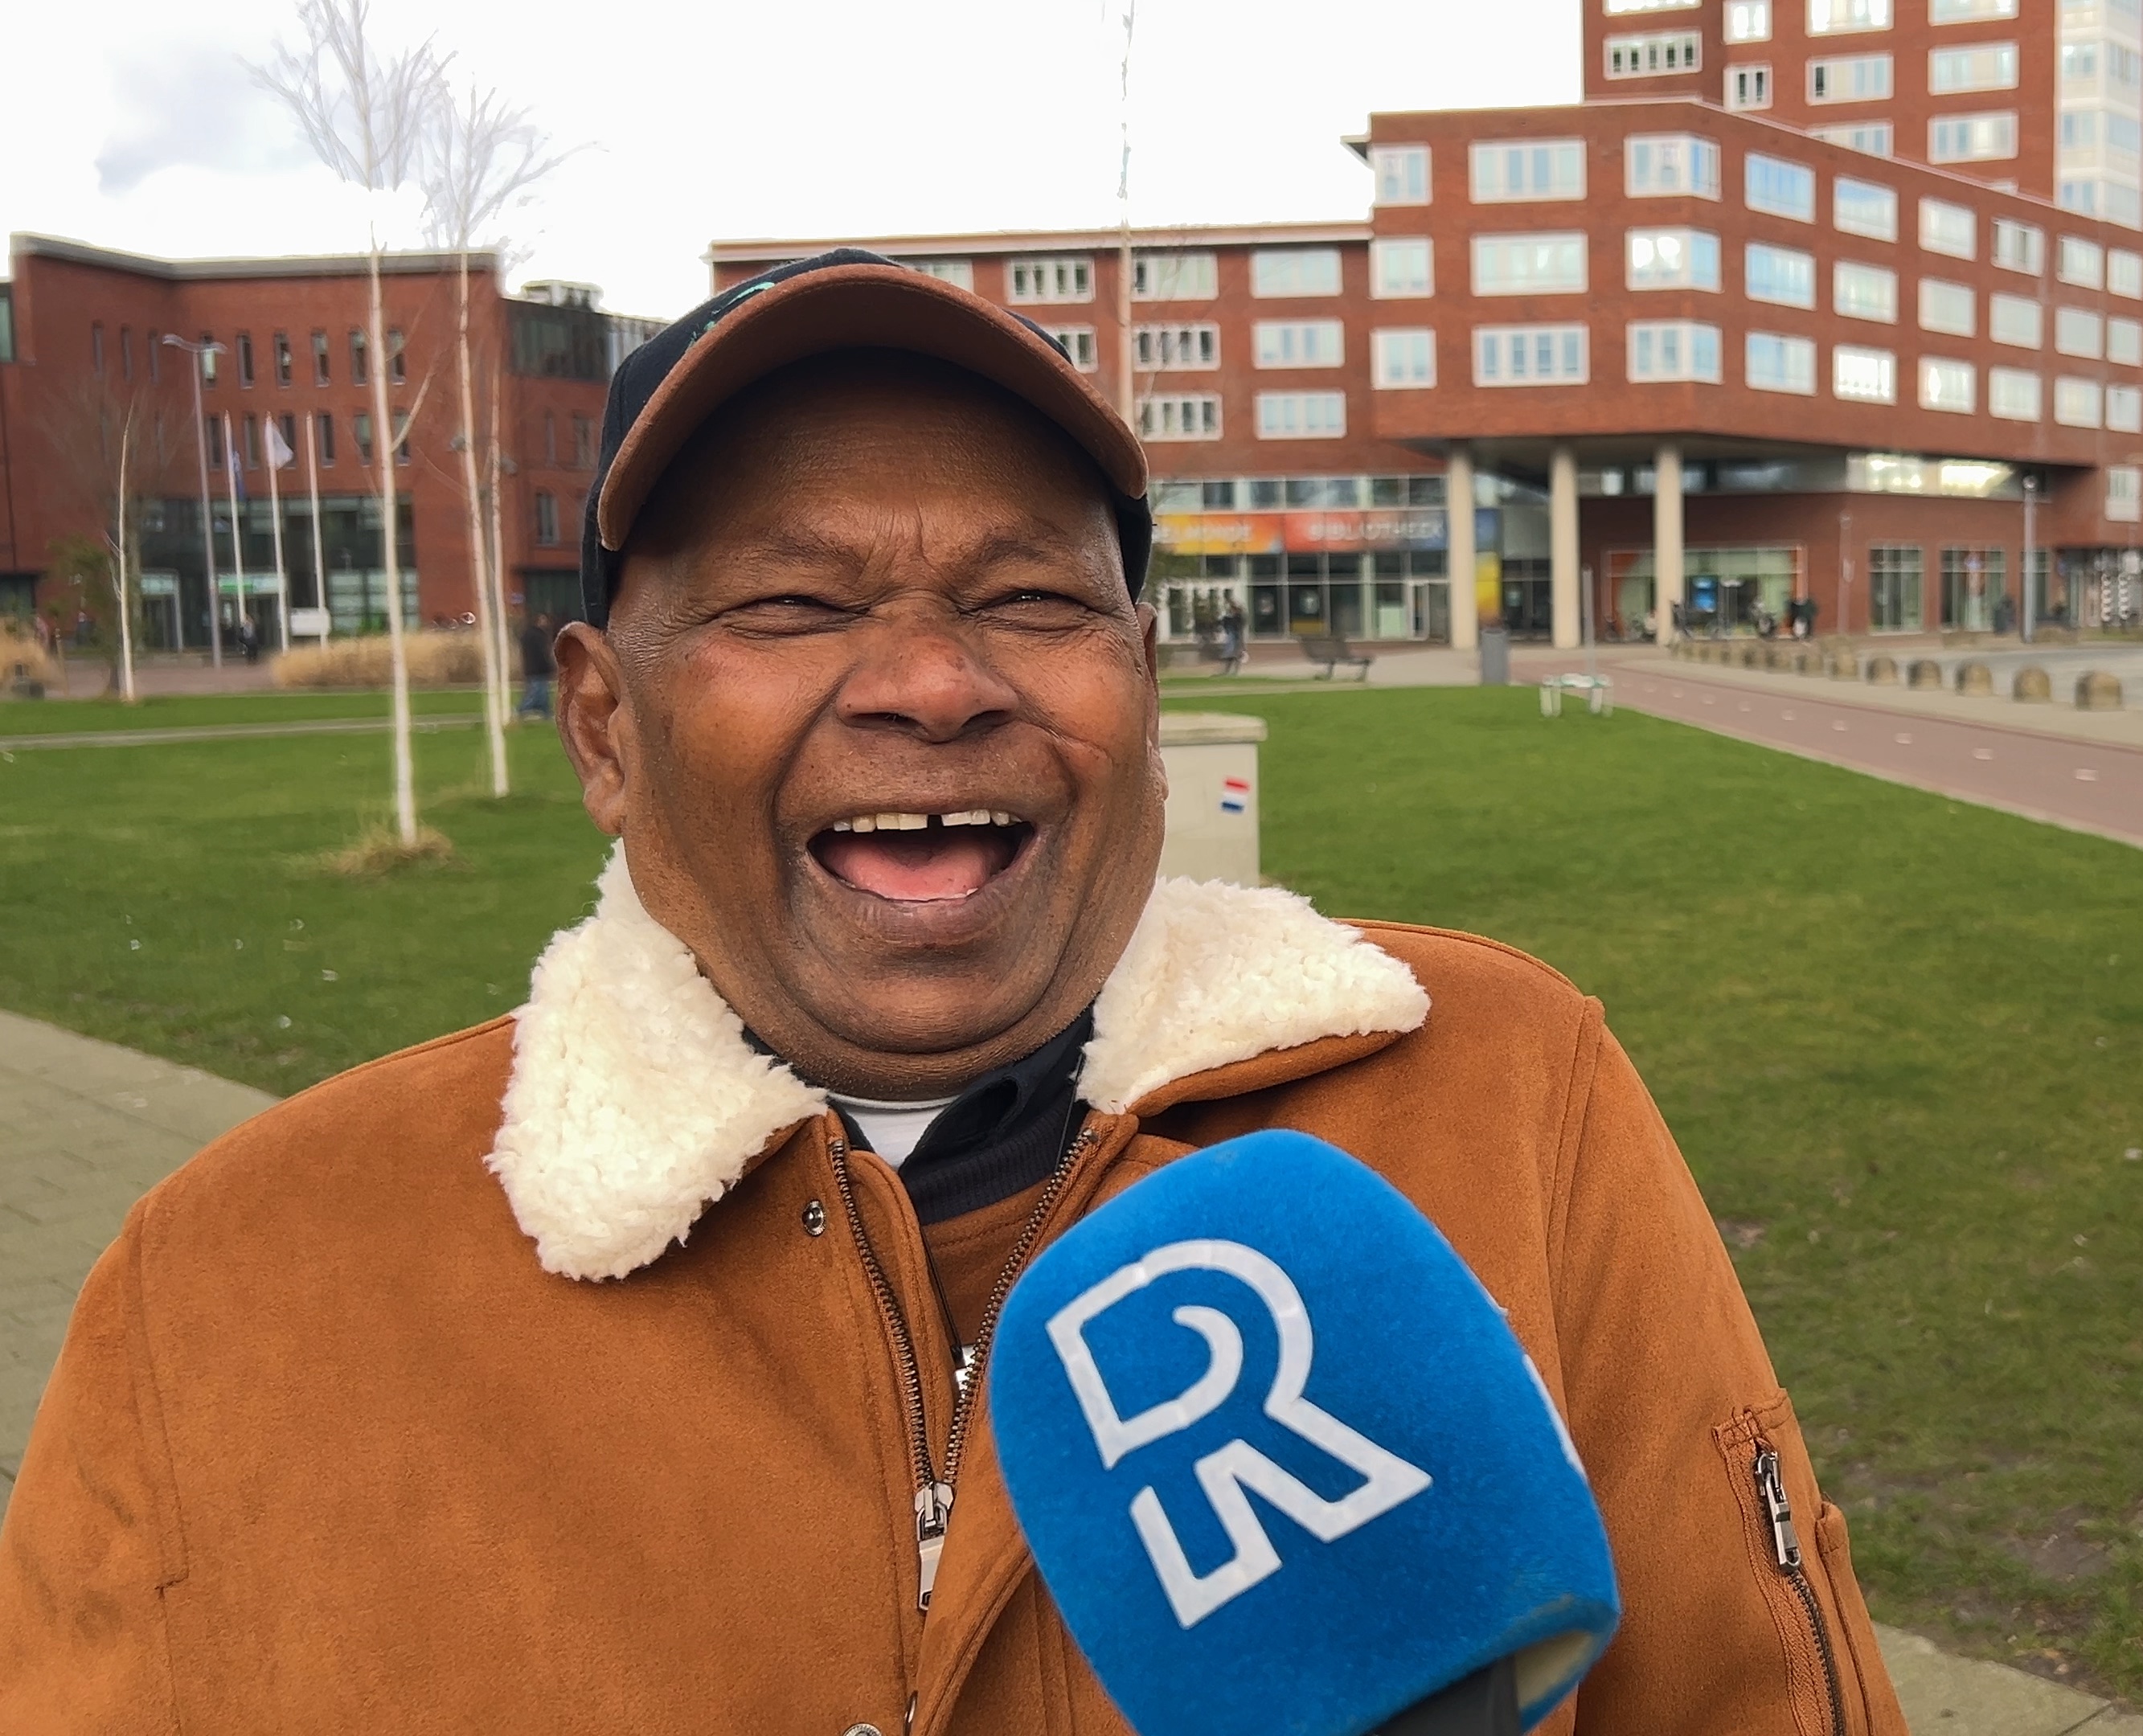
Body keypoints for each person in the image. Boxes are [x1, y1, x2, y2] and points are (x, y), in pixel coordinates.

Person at [0, 249, 1903, 1733]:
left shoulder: (1509, 1088)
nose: (929, 678)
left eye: (1029, 600)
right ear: (600, 719)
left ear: (1141, 690)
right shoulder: (231, 1292)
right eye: (792, 605)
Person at [518, 611, 558, 719]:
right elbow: (542, 653)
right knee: (536, 692)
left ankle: (545, 711)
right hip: (537, 669)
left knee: (542, 692)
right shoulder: (537, 636)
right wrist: (549, 666)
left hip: (534, 668)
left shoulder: (530, 634)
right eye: (543, 620)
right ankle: (521, 710)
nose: (545, 622)